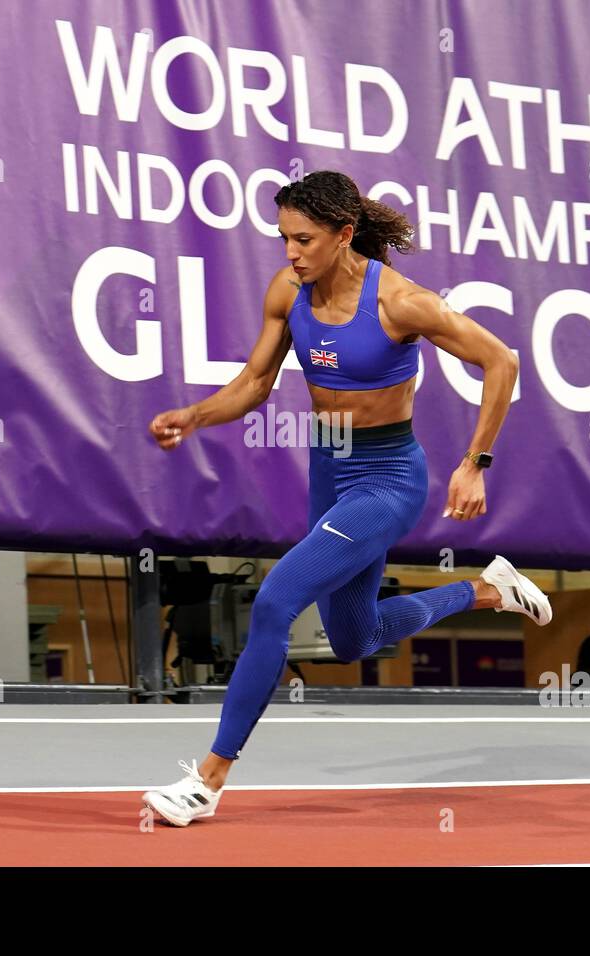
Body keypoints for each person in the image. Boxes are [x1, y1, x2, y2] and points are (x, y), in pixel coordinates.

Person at [141, 170, 552, 826]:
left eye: (304, 239)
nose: (291, 253)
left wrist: (476, 464)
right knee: (354, 639)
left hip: (388, 479)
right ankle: (484, 590)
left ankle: (209, 781)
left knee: (276, 601)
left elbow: (501, 360)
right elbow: (254, 381)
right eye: (283, 239)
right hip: (329, 466)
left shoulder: (402, 303)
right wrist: (196, 415)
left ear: (344, 234)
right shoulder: (288, 289)